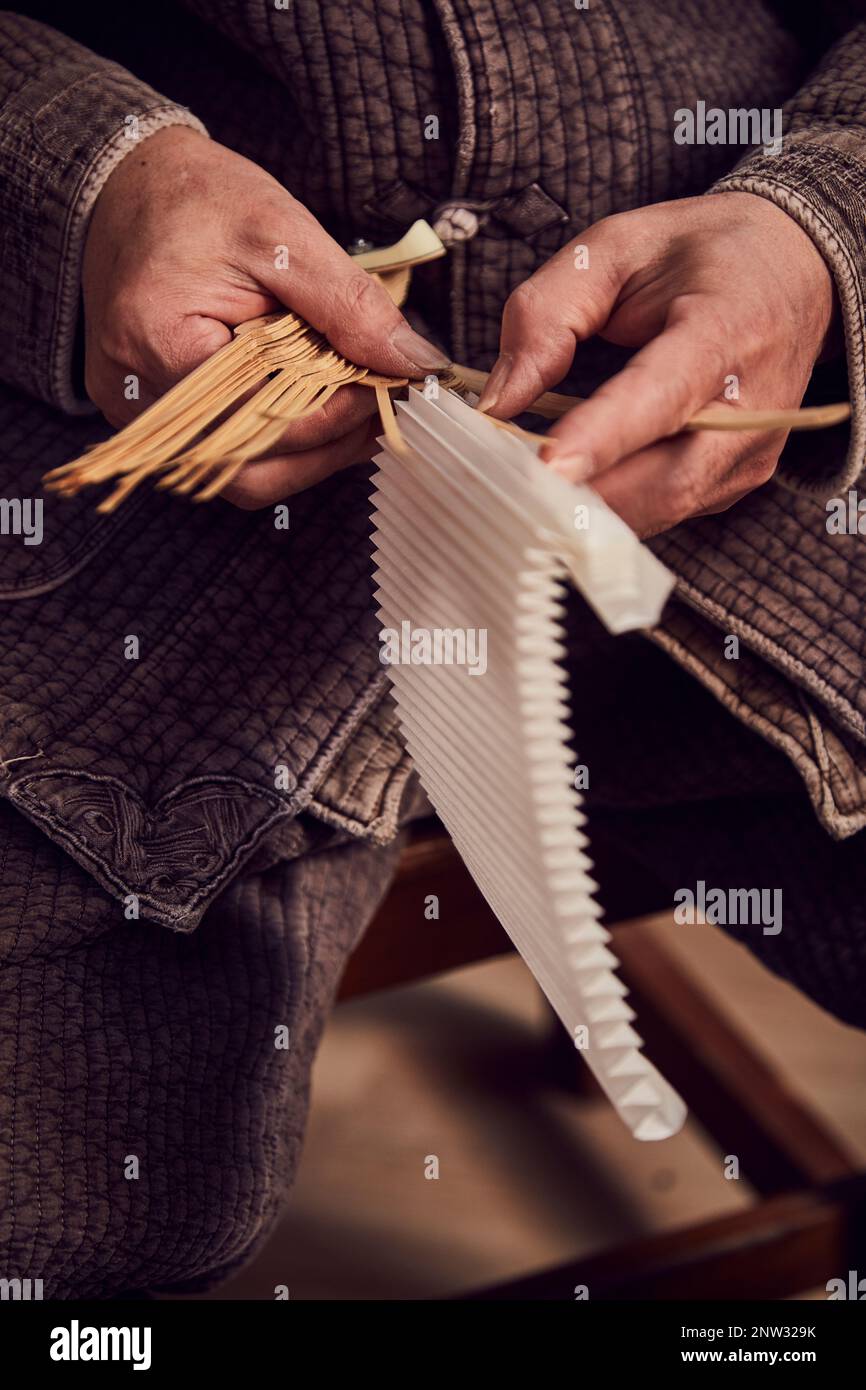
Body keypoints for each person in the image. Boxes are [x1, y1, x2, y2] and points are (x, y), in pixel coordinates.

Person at [2, 0, 866, 1299]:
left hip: (771, 409)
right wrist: (84, 174)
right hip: (169, 445)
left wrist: (823, 221)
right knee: (75, 1158)